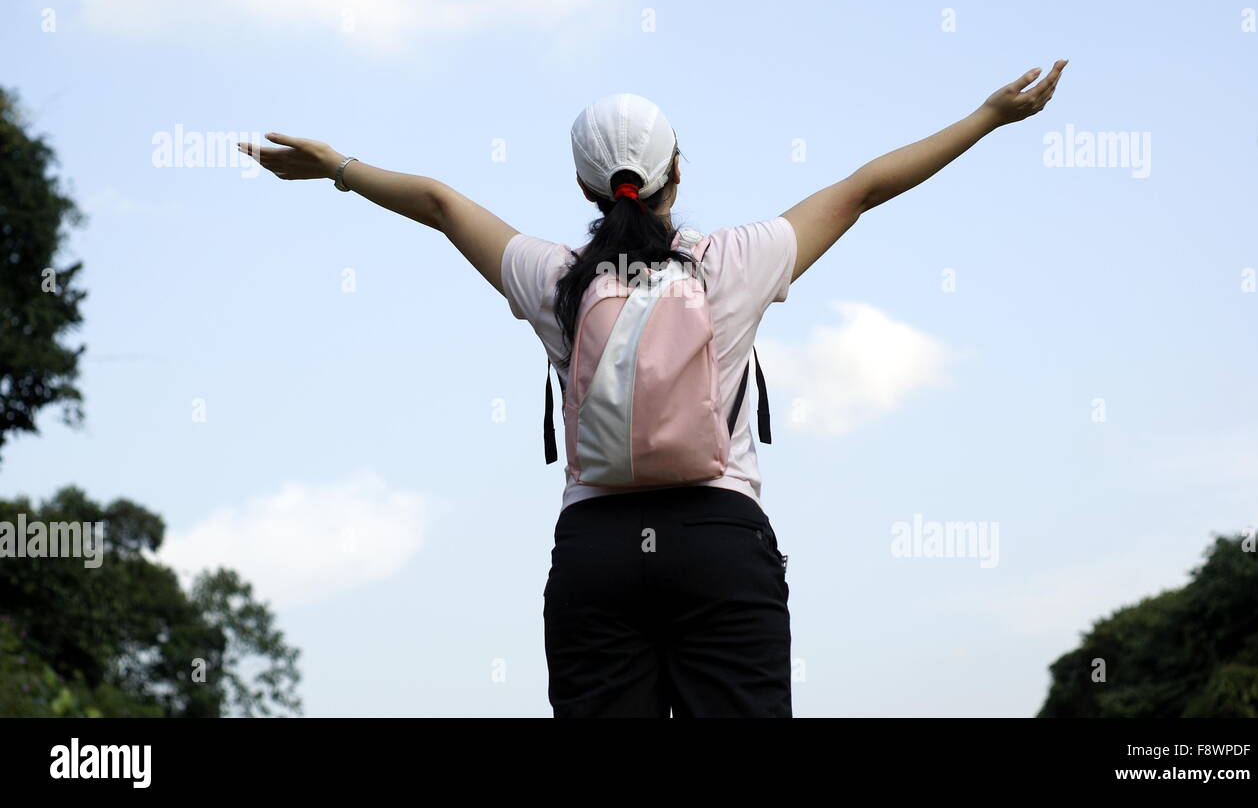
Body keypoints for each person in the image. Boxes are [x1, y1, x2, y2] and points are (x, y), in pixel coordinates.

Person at [237, 60, 1067, 717]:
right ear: (678, 170)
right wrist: (989, 118)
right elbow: (862, 189)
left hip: (596, 551)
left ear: (582, 188)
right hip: (720, 541)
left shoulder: (556, 276)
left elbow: (441, 204)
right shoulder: (732, 264)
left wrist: (337, 167)